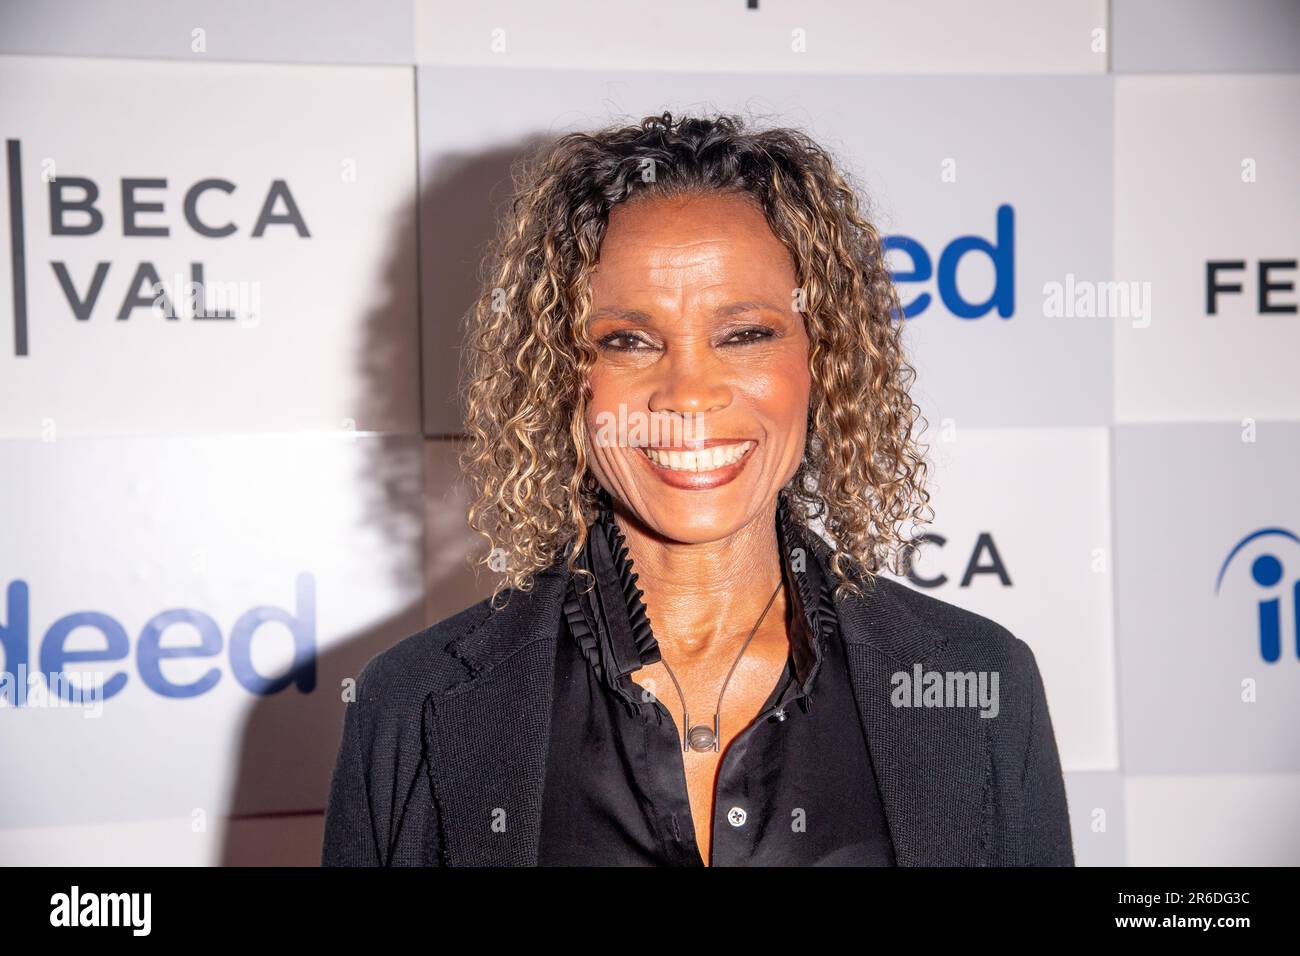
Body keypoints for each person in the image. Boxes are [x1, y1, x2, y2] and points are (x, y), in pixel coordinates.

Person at [321, 111, 1074, 867]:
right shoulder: (413, 706)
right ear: (561, 376)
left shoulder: (974, 684)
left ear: (826, 360)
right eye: (629, 341)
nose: (688, 394)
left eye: (744, 334)